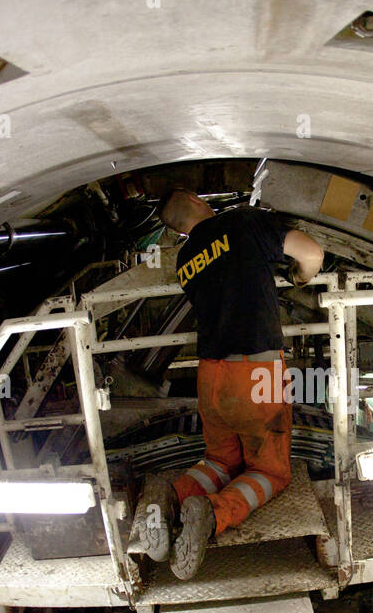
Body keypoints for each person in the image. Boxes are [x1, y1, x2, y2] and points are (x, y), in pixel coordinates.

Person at [128, 188, 324, 579]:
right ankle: (213, 514)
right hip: (255, 371)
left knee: (221, 460)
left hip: (211, 376)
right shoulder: (240, 221)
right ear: (200, 202)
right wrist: (300, 277)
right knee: (271, 471)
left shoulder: (186, 259)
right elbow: (312, 254)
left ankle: (173, 496)